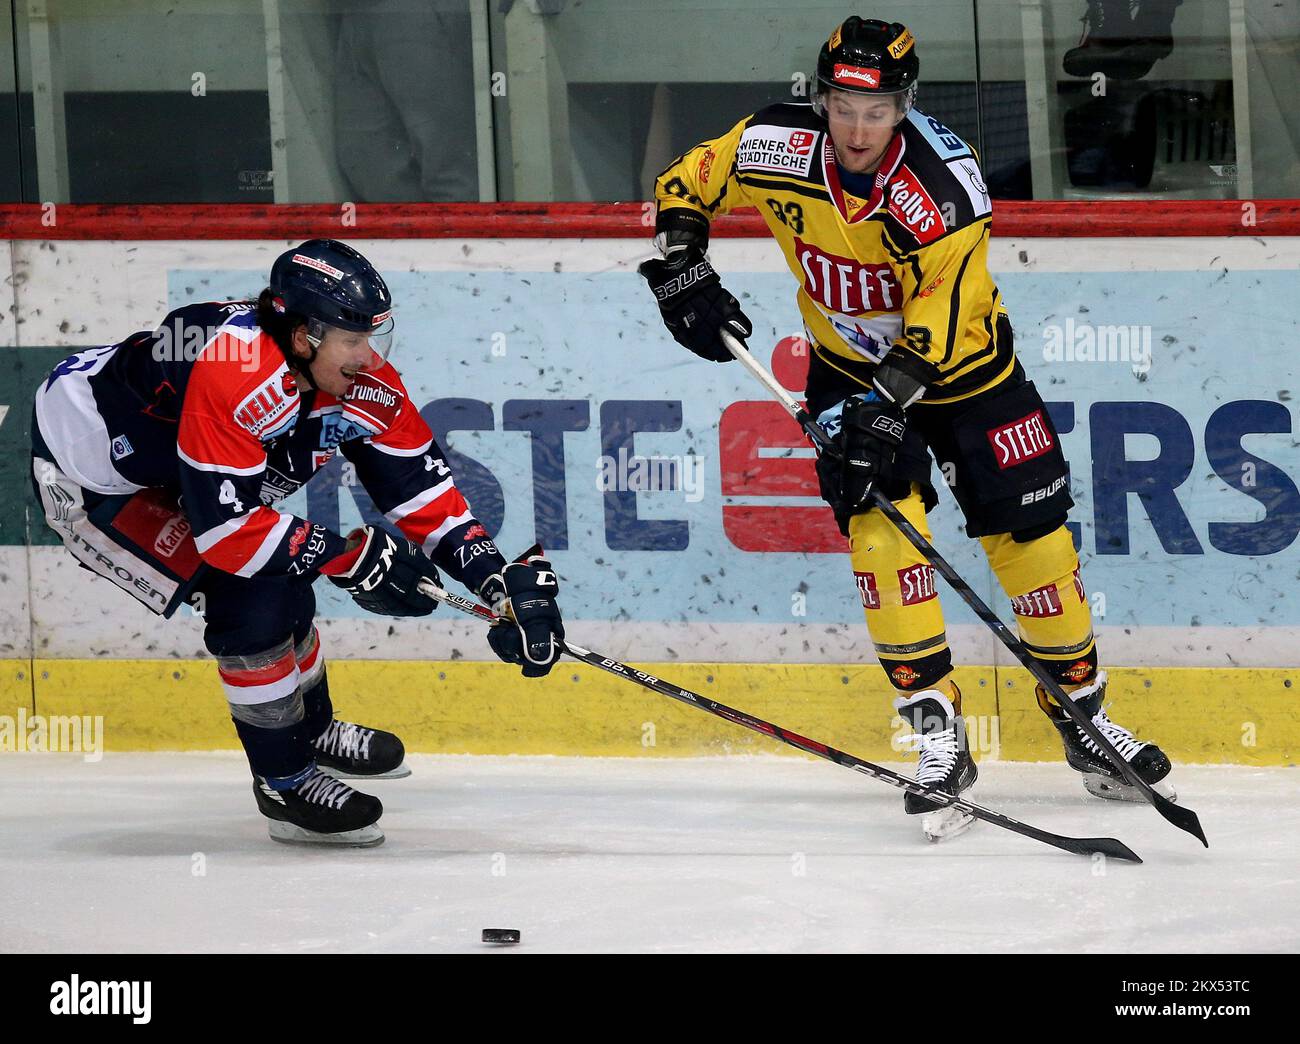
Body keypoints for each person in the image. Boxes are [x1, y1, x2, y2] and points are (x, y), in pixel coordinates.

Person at [640, 17, 1173, 838]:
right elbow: (685, 183)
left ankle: (1082, 719)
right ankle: (939, 733)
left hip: (966, 375)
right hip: (845, 370)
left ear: (904, 106)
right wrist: (682, 265)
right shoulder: (772, 145)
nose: (859, 128)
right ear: (821, 98)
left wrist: (883, 414)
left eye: (878, 109)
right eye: (845, 106)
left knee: (1037, 547)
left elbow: (938, 324)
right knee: (882, 538)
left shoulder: (944, 187)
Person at [30, 239, 564, 847]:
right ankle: (283, 780)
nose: (369, 357)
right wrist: (348, 557)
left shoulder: (344, 373)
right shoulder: (233, 369)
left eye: (373, 338)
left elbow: (414, 482)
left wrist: (492, 577)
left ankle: (313, 728)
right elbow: (229, 538)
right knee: (250, 595)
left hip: (184, 460)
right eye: (353, 339)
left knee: (285, 575)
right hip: (97, 477)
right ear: (306, 334)